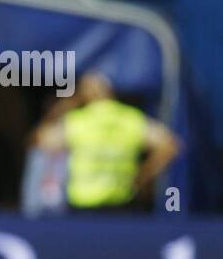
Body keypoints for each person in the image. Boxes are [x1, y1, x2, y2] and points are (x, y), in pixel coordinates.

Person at [35, 72, 180, 212]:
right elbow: (170, 145)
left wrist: (63, 107)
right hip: (122, 201)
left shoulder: (77, 121)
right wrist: (143, 176)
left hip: (84, 203)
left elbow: (40, 140)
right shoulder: (130, 119)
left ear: (83, 94)